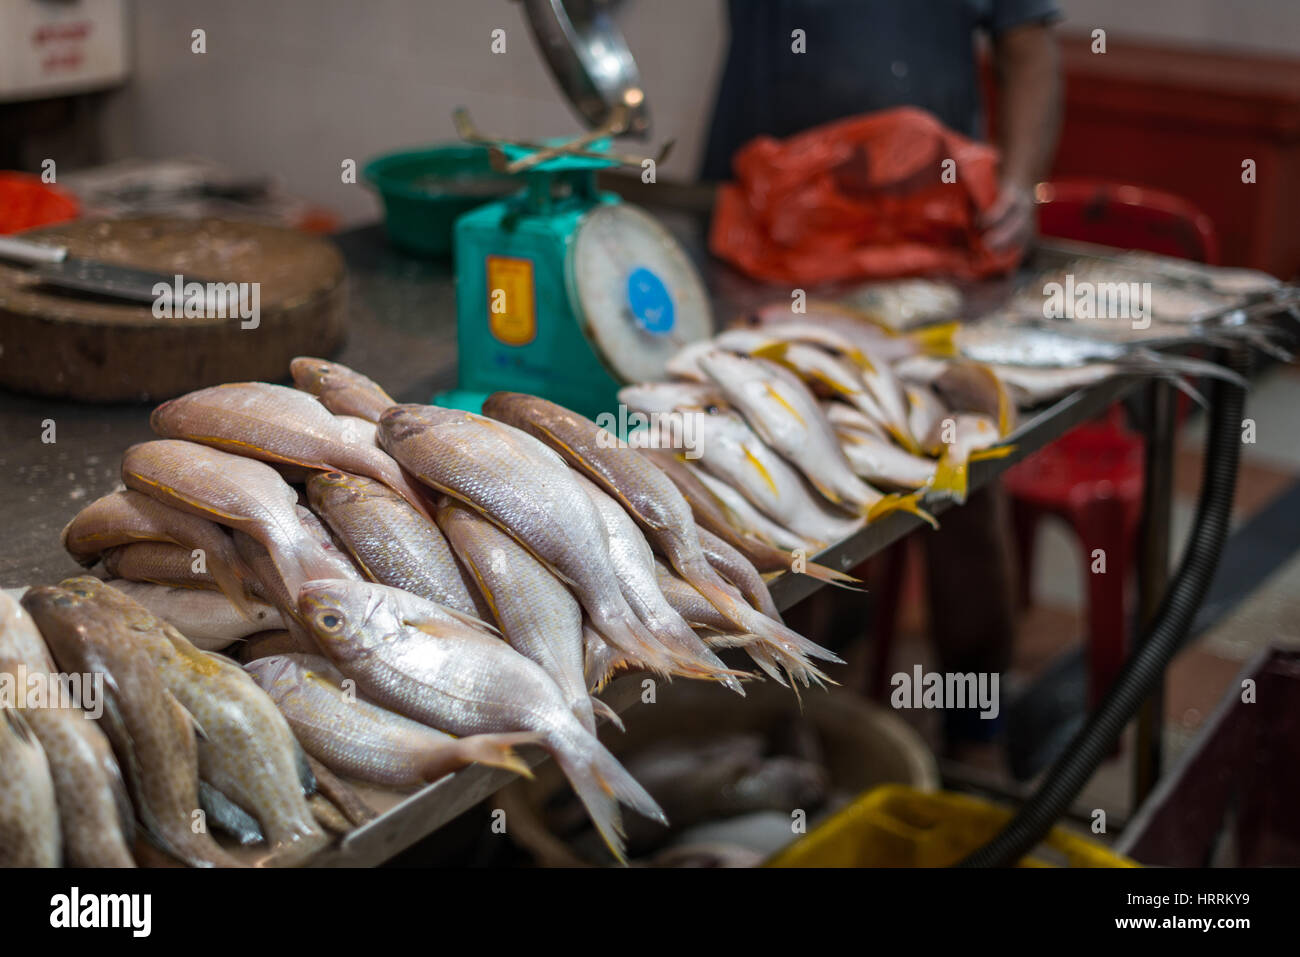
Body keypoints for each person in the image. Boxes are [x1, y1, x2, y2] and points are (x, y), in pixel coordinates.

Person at [702, 0, 1063, 755]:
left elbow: (1028, 43)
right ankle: (776, 731)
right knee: (768, 477)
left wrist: (1021, 186)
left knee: (957, 478)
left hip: (926, 242)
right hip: (767, 236)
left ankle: (974, 720)